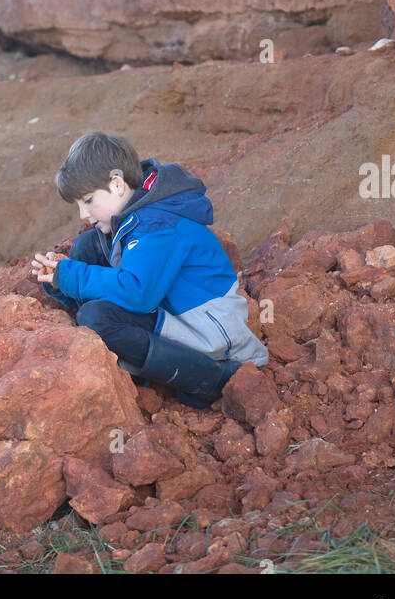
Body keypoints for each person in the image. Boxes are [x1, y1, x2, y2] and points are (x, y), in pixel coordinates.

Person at [31, 130, 268, 408]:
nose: (83, 215)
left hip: (208, 326)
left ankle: (214, 380)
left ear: (117, 185)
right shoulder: (139, 210)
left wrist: (72, 276)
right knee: (87, 247)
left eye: (88, 201)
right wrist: (62, 281)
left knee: (96, 317)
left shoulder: (158, 227)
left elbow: (138, 293)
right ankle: (118, 352)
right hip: (170, 308)